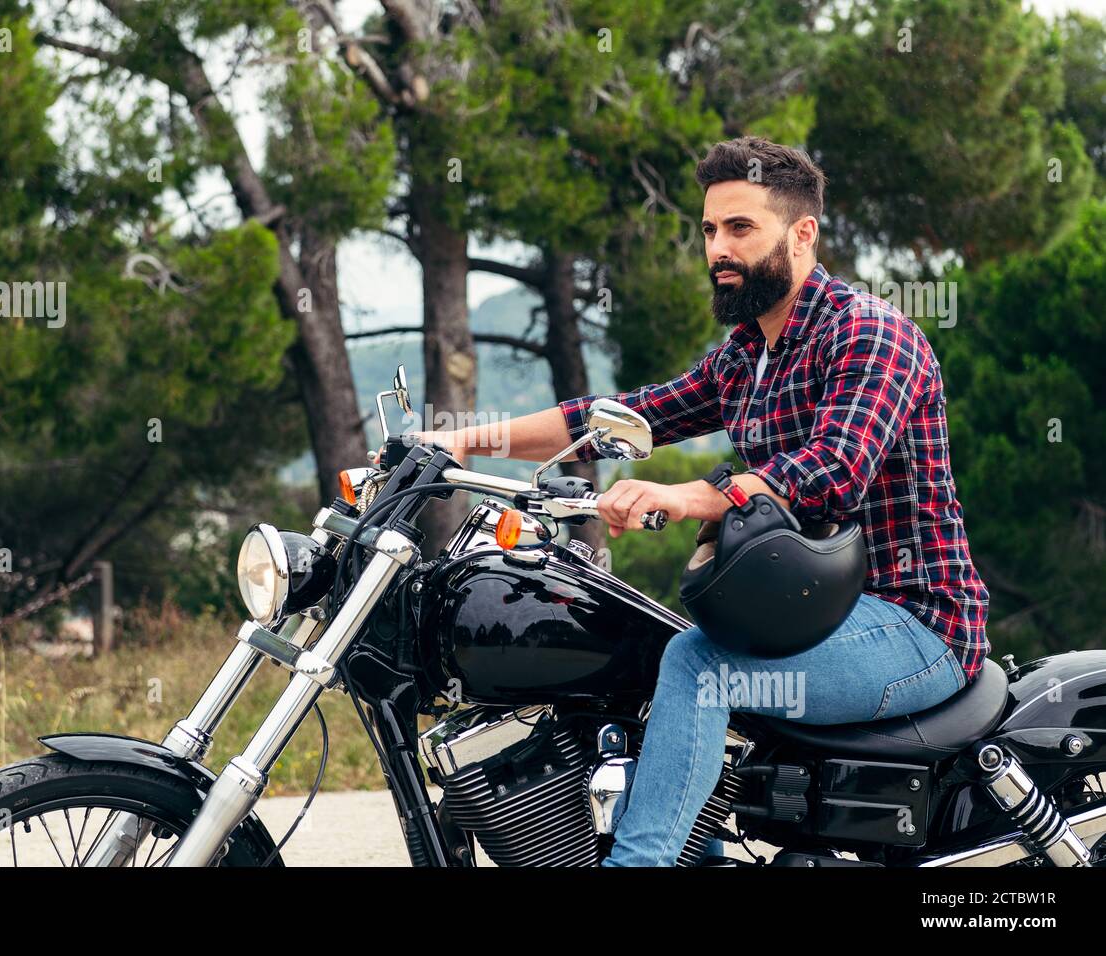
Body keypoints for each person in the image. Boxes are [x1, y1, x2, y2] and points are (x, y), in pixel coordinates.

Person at [405, 136, 990, 866]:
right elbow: (617, 417)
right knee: (641, 653)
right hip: (814, 614)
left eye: (740, 228)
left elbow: (830, 473)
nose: (718, 247)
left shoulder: (870, 333)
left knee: (698, 666)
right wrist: (462, 441)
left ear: (801, 234)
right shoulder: (747, 352)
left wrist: (688, 495)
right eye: (710, 230)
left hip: (915, 625)